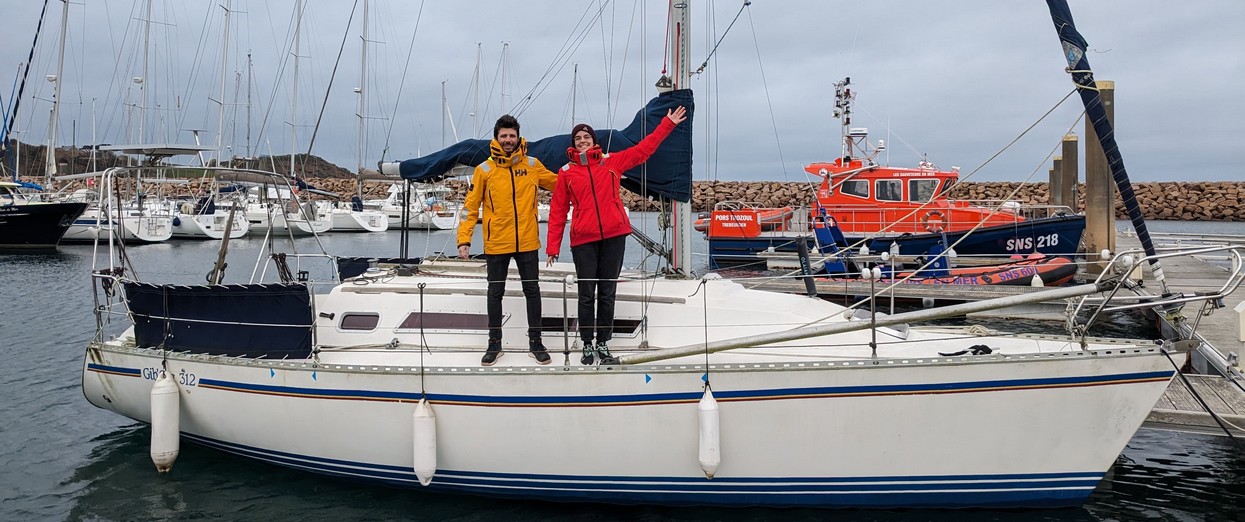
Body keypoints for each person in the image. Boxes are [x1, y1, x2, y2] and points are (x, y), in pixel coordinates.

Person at [546, 105, 687, 365]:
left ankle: (603, 343)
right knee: (587, 293)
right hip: (583, 240)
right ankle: (587, 344)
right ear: (573, 145)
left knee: (607, 292)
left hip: (613, 236)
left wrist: (667, 123)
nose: (583, 141)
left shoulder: (612, 162)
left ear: (594, 141)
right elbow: (557, 211)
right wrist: (552, 247)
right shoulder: (566, 173)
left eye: (587, 137)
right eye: (578, 139)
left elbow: (645, 150)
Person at [457, 114, 560, 366]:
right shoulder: (484, 170)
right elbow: (470, 208)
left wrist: (588, 173)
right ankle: (494, 344)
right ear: (496, 138)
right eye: (503, 136)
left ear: (518, 137)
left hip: (527, 242)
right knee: (495, 293)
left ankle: (536, 343)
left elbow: (561, 184)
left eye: (512, 135)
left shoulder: (533, 164)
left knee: (532, 291)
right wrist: (464, 239)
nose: (508, 140)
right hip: (496, 242)